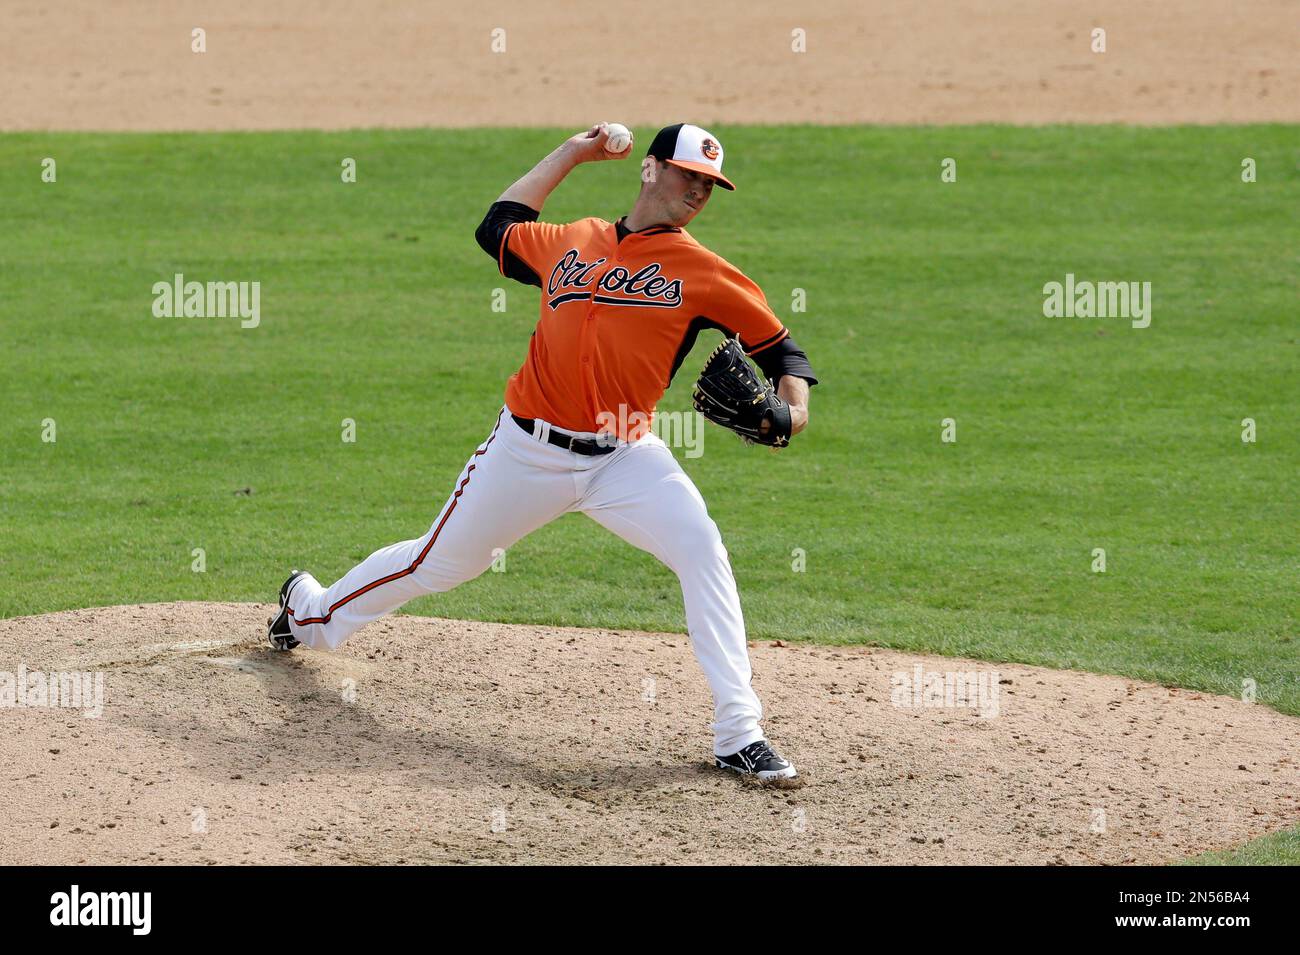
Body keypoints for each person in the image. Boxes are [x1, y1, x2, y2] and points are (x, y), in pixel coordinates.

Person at [267, 123, 819, 782]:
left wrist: (794, 408)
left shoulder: (703, 271)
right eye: (686, 175)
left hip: (626, 456)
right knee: (435, 563)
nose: (698, 191)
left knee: (702, 548)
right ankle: (308, 610)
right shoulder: (571, 240)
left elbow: (785, 352)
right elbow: (496, 225)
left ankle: (739, 731)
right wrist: (576, 151)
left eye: (709, 184)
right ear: (650, 170)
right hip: (526, 452)